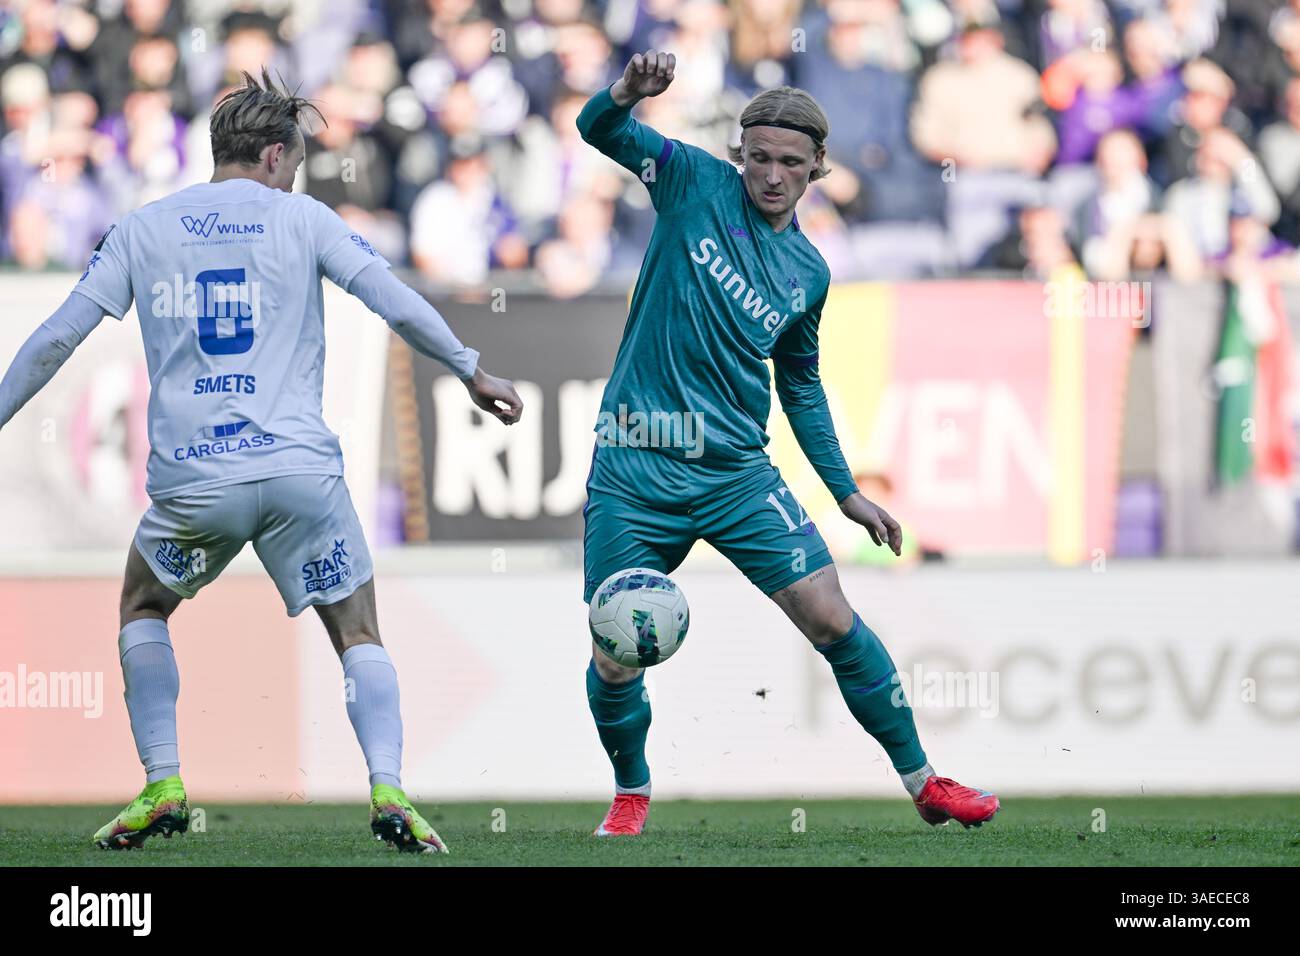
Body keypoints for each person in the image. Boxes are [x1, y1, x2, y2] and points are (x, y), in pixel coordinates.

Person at [0, 69, 523, 854]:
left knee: (144, 607)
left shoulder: (144, 227)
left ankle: (164, 781)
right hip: (296, 477)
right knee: (356, 628)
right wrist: (470, 368)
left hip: (194, 485)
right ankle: (389, 788)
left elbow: (54, 339)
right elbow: (394, 300)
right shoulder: (304, 219)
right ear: (277, 155)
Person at [575, 50, 999, 837]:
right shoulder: (691, 182)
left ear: (818, 169)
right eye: (760, 158)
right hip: (635, 464)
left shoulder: (808, 270)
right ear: (739, 154)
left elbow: (799, 387)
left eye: (791, 163)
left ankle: (925, 784)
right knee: (616, 650)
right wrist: (627, 94)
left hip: (736, 473)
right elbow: (596, 129)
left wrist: (846, 493)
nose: (772, 175)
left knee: (834, 619)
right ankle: (631, 789)